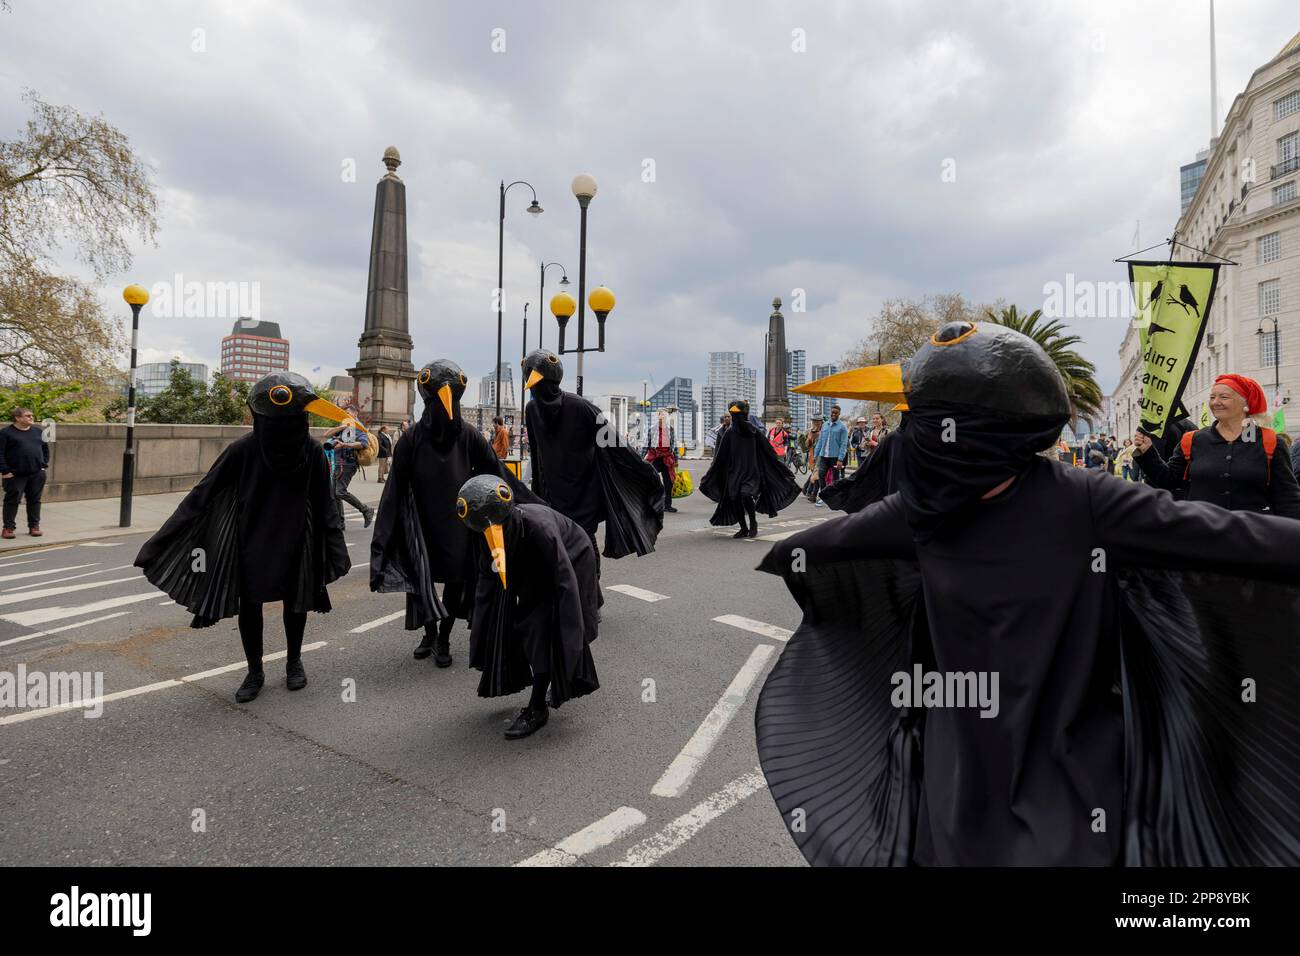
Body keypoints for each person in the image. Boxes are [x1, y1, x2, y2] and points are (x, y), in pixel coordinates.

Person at [755, 320, 1300, 867]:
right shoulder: (929, 511)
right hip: (970, 777)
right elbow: (820, 547)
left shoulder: (1065, 503)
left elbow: (1234, 538)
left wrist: (785, 558)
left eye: (918, 421)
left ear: (961, 432)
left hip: (1058, 775)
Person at [134, 373, 351, 703]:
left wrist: (334, 543)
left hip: (297, 540)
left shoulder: (310, 452)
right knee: (251, 606)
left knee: (297, 603)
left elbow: (324, 503)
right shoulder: (242, 451)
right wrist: (162, 540)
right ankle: (255, 671)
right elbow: (202, 496)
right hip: (252, 540)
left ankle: (294, 662)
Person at [370, 359, 536, 667]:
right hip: (421, 521)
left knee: (456, 579)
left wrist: (528, 504)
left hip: (459, 520)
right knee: (422, 577)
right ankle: (430, 634)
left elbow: (496, 473)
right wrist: (382, 541)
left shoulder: (467, 436)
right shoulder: (412, 439)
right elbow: (394, 489)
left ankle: (443, 636)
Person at [457, 474, 599, 739]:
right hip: (527, 562)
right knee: (517, 622)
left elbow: (564, 584)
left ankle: (537, 708)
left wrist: (571, 643)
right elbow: (486, 585)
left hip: (572, 555)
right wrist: (481, 635)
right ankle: (542, 675)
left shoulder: (540, 529)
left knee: (540, 628)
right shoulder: (481, 532)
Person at [522, 349, 663, 578]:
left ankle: (591, 598)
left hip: (583, 491)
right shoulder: (532, 410)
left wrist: (645, 471)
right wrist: (539, 494)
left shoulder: (580, 407)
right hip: (553, 493)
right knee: (559, 545)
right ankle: (573, 598)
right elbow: (537, 453)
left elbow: (614, 443)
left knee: (584, 543)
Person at [1132, 374, 1300, 518]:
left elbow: (1287, 497)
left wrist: (1290, 540)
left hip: (1254, 541)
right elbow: (1168, 479)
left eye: (1224, 397)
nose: (1215, 402)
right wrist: (1147, 452)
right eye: (1212, 397)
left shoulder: (1270, 442)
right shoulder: (1192, 440)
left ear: (1246, 403)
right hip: (1202, 537)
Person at [699, 399, 800, 538]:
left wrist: (780, 468)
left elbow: (768, 450)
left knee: (745, 495)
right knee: (734, 498)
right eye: (732, 414)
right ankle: (743, 528)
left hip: (751, 471)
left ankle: (753, 523)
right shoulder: (729, 433)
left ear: (744, 414)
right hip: (734, 472)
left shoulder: (753, 432)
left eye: (737, 414)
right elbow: (720, 456)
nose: (735, 418)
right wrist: (710, 474)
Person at [0, 407, 49, 539]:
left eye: (31, 415)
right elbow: (0, 454)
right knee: (12, 501)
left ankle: (34, 526)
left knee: (35, 500)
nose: (31, 418)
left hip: (37, 473)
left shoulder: (38, 432)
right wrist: (5, 470)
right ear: (18, 418)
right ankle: (8, 529)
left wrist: (43, 465)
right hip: (15, 475)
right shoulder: (6, 433)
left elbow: (45, 450)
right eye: (28, 416)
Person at [324, 415, 374, 528]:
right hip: (338, 464)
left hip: (348, 463)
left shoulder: (358, 428)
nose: (344, 416)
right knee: (334, 494)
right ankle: (340, 523)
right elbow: (326, 434)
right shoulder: (342, 428)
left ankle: (366, 510)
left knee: (340, 491)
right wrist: (341, 427)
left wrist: (344, 444)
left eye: (347, 414)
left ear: (354, 414)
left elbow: (363, 443)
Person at [811, 404, 849, 506]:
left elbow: (843, 445)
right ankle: (825, 497)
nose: (833, 414)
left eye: (836, 413)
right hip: (824, 456)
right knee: (821, 475)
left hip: (835, 457)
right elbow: (820, 441)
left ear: (839, 414)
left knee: (835, 478)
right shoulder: (825, 425)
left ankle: (835, 497)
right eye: (832, 412)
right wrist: (816, 455)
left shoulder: (842, 428)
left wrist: (840, 459)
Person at [644, 408, 679, 513]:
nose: (662, 417)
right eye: (661, 415)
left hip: (667, 458)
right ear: (657, 416)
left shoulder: (670, 429)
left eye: (664, 415)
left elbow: (674, 445)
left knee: (669, 483)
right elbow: (646, 444)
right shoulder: (652, 429)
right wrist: (641, 459)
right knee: (651, 480)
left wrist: (676, 458)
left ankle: (667, 505)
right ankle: (649, 503)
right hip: (655, 457)